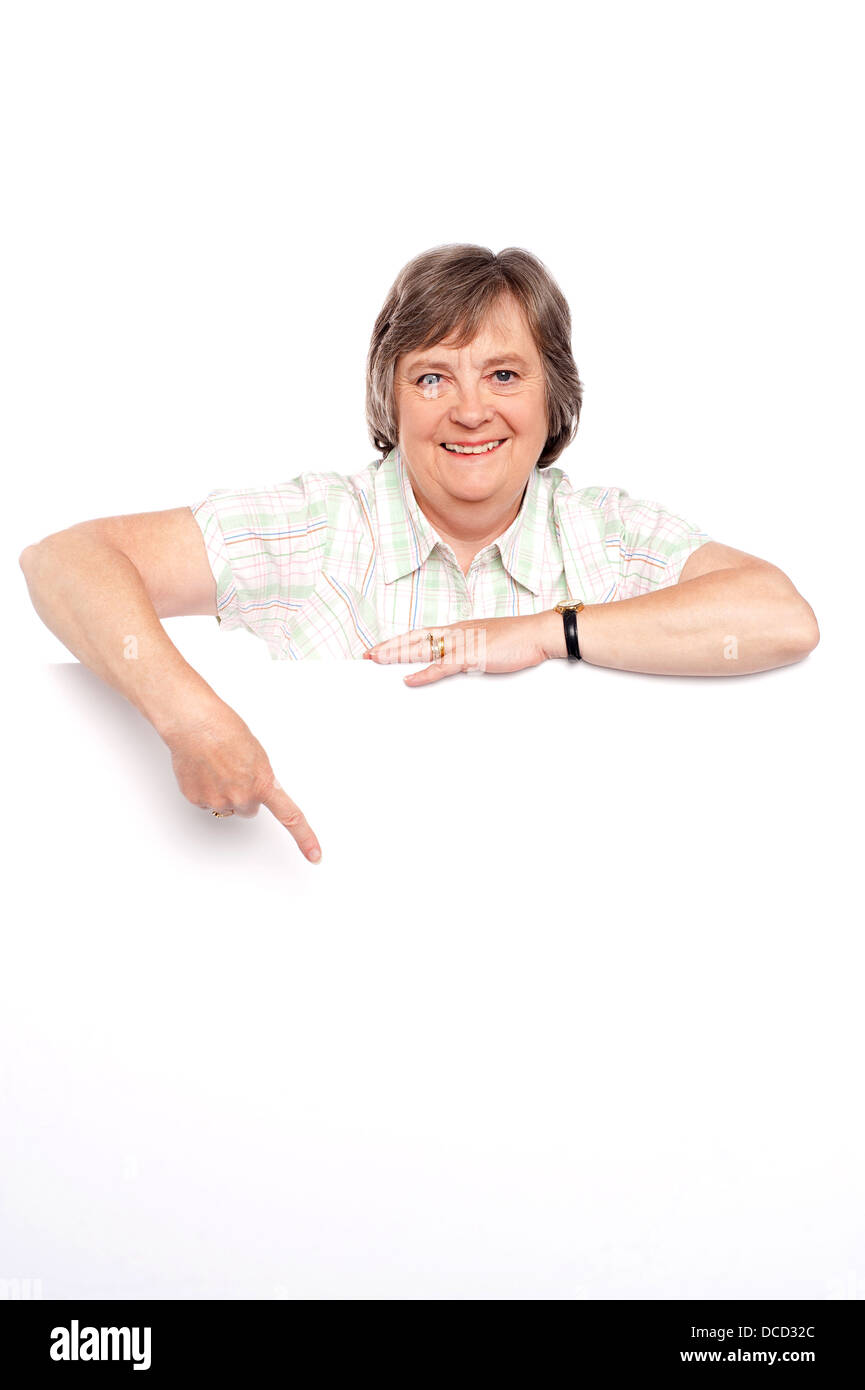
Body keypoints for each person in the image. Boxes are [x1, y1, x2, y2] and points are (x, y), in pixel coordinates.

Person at [19, 244, 819, 863]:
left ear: (553, 396)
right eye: (433, 378)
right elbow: (64, 560)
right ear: (390, 398)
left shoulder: (605, 534)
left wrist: (542, 631)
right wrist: (191, 720)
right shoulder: (321, 525)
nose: (471, 411)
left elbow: (780, 619)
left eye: (503, 373)